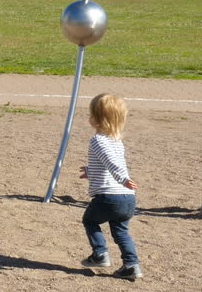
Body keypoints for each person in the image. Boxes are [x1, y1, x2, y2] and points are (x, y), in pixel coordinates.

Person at [79, 93, 143, 280]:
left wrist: (122, 178)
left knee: (90, 221)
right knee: (121, 231)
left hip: (109, 196)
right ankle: (132, 265)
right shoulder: (116, 141)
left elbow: (112, 165)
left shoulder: (98, 140)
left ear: (96, 119)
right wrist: (90, 172)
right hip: (128, 198)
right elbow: (108, 163)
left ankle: (100, 254)